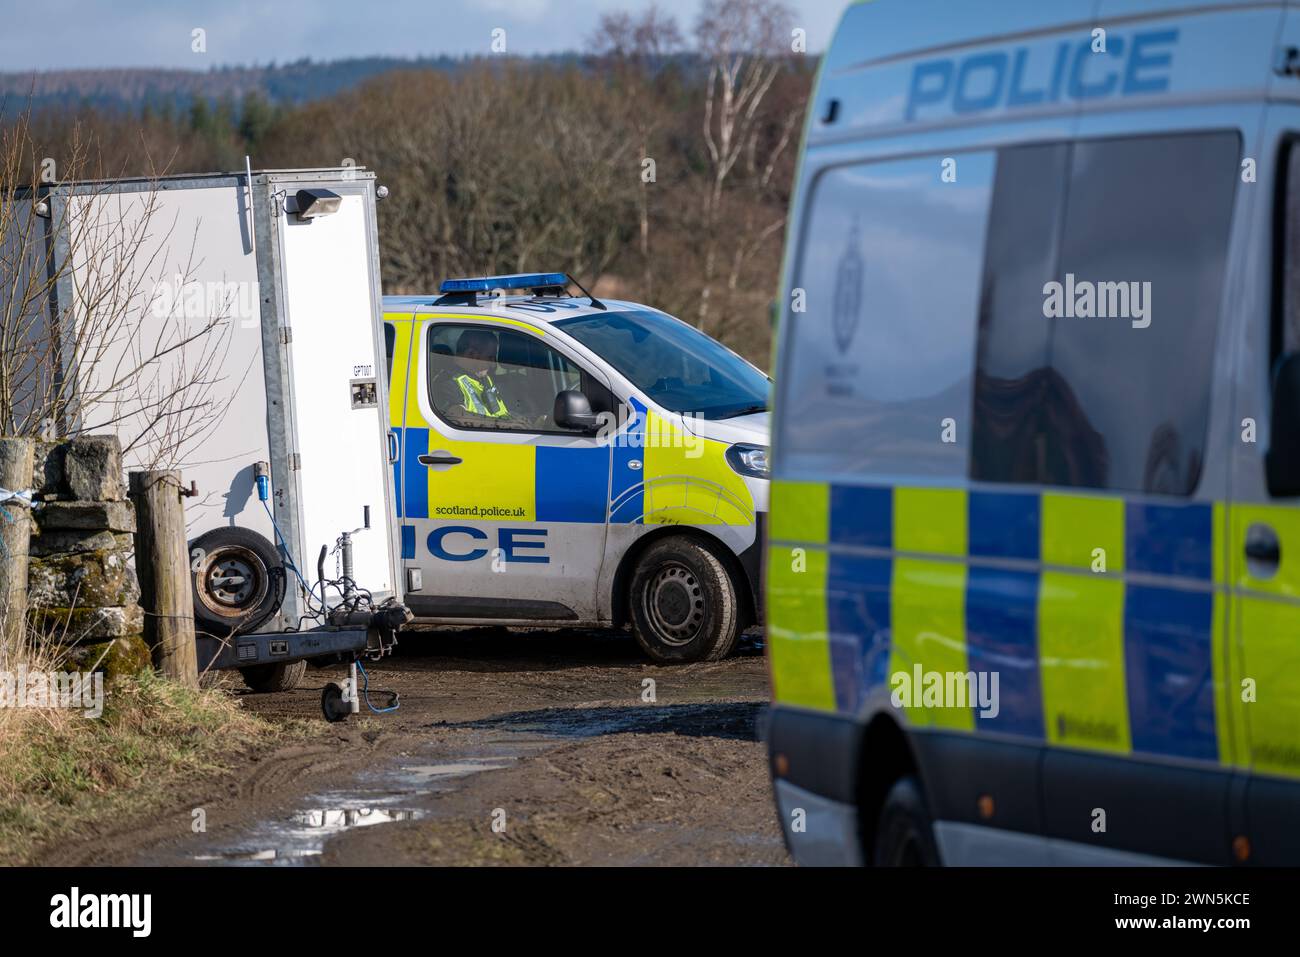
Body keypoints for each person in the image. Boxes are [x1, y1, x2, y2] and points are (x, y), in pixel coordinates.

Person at [431, 329, 535, 429]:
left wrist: (525, 420)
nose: (494, 364)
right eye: (490, 357)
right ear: (471, 354)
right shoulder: (447, 381)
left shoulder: (483, 377)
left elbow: (498, 414)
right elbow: (456, 416)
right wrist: (506, 424)